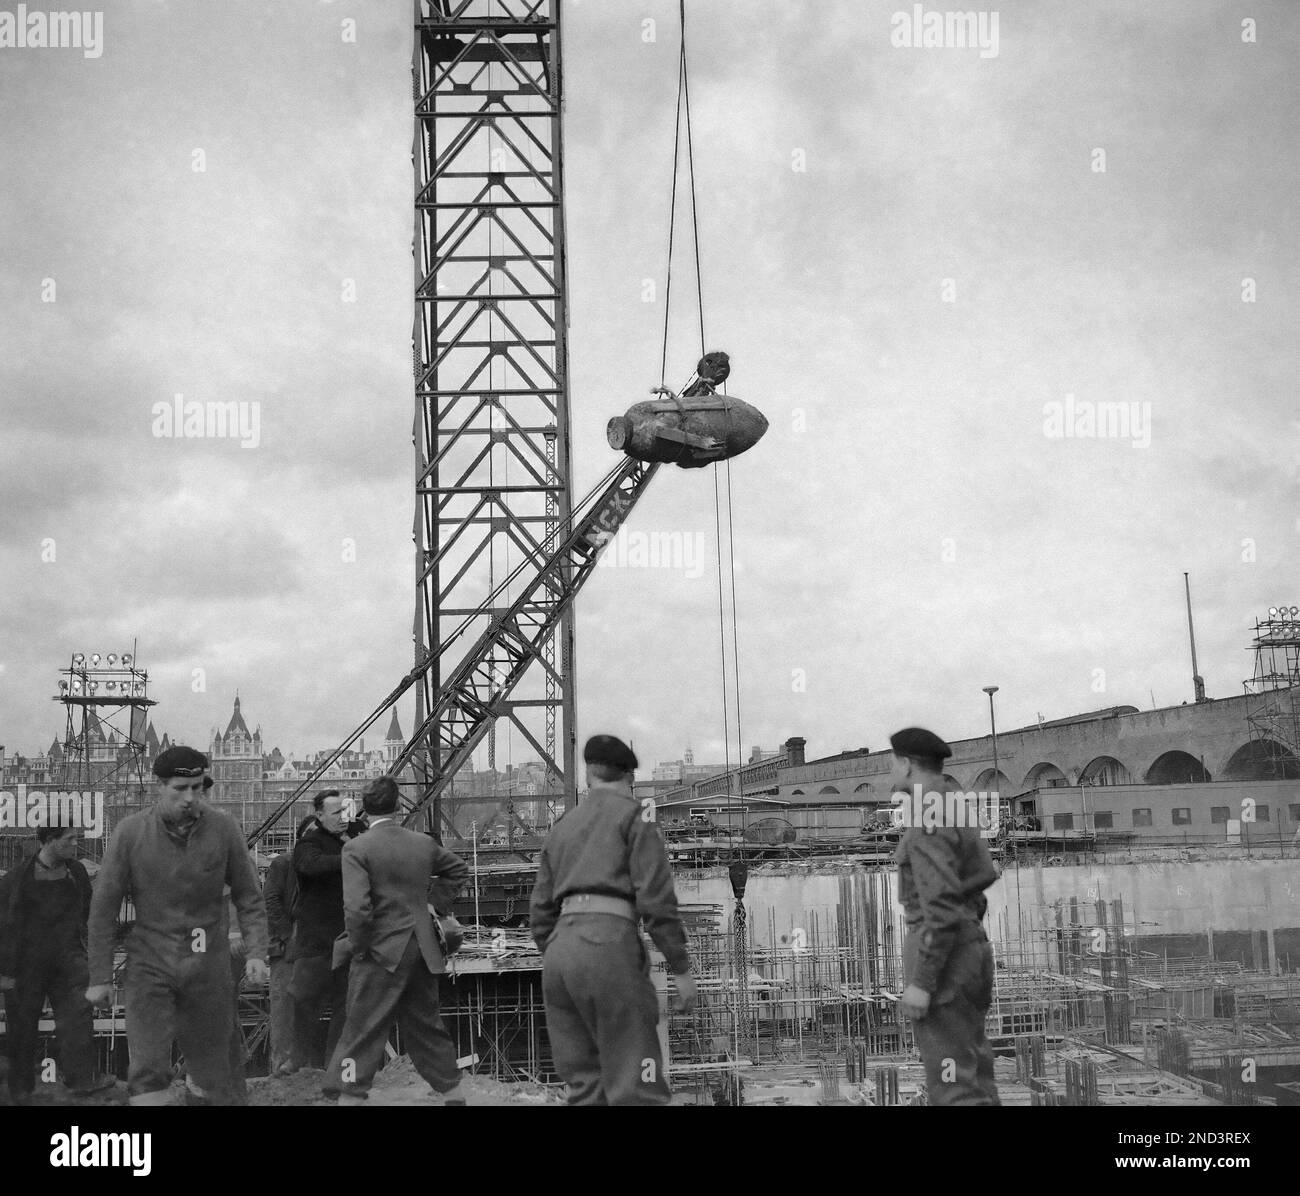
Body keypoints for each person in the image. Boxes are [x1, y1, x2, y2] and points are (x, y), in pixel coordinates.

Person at [85, 746, 269, 1106]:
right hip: (150, 967)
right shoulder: (130, 833)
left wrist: (258, 952)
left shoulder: (224, 829)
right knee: (149, 1067)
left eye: (198, 788)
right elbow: (103, 910)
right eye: (180, 788)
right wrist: (100, 977)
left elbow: (249, 895)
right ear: (160, 785)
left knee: (214, 1070)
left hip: (207, 970)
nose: (190, 798)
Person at [530, 734, 697, 1106]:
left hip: (559, 957)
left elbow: (539, 913)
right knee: (637, 1084)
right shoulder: (636, 817)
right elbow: (656, 902)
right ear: (629, 777)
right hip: (608, 948)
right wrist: (681, 969)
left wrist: (564, 951)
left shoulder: (563, 826)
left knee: (585, 1086)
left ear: (588, 775)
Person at [325, 775, 470, 1105]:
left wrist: (360, 948)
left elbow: (357, 909)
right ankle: (453, 1093)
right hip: (423, 949)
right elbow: (458, 869)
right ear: (400, 806)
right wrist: (435, 904)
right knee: (426, 1026)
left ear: (364, 811)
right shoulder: (422, 843)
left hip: (380, 951)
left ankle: (350, 1096)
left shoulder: (356, 848)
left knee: (362, 1028)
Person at [891, 727, 1000, 1106]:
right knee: (975, 1074)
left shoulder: (927, 817)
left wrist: (923, 981)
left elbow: (940, 908)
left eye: (893, 762)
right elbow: (982, 875)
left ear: (906, 765)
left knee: (953, 1085)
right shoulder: (953, 803)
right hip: (969, 950)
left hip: (945, 961)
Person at [0, 824, 114, 1104]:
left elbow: (88, 914)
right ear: (50, 841)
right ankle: (20, 1088)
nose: (76, 844)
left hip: (68, 961)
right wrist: (4, 972)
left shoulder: (76, 873)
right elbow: (4, 928)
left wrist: (87, 955)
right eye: (70, 839)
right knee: (22, 1027)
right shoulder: (15, 880)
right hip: (27, 965)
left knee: (77, 1021)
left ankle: (82, 1081)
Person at [288, 791, 351, 1071]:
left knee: (345, 1008)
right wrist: (350, 857)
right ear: (320, 815)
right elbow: (309, 865)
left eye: (345, 811)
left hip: (346, 940)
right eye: (336, 813)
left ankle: (334, 1068)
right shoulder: (309, 843)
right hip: (315, 943)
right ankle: (300, 1065)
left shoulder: (350, 840)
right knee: (304, 1004)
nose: (343, 818)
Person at [264, 815, 312, 1076]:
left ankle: (305, 1074)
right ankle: (280, 1072)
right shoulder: (284, 864)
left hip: (314, 949)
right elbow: (271, 899)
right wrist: (286, 936)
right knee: (283, 1011)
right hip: (286, 950)